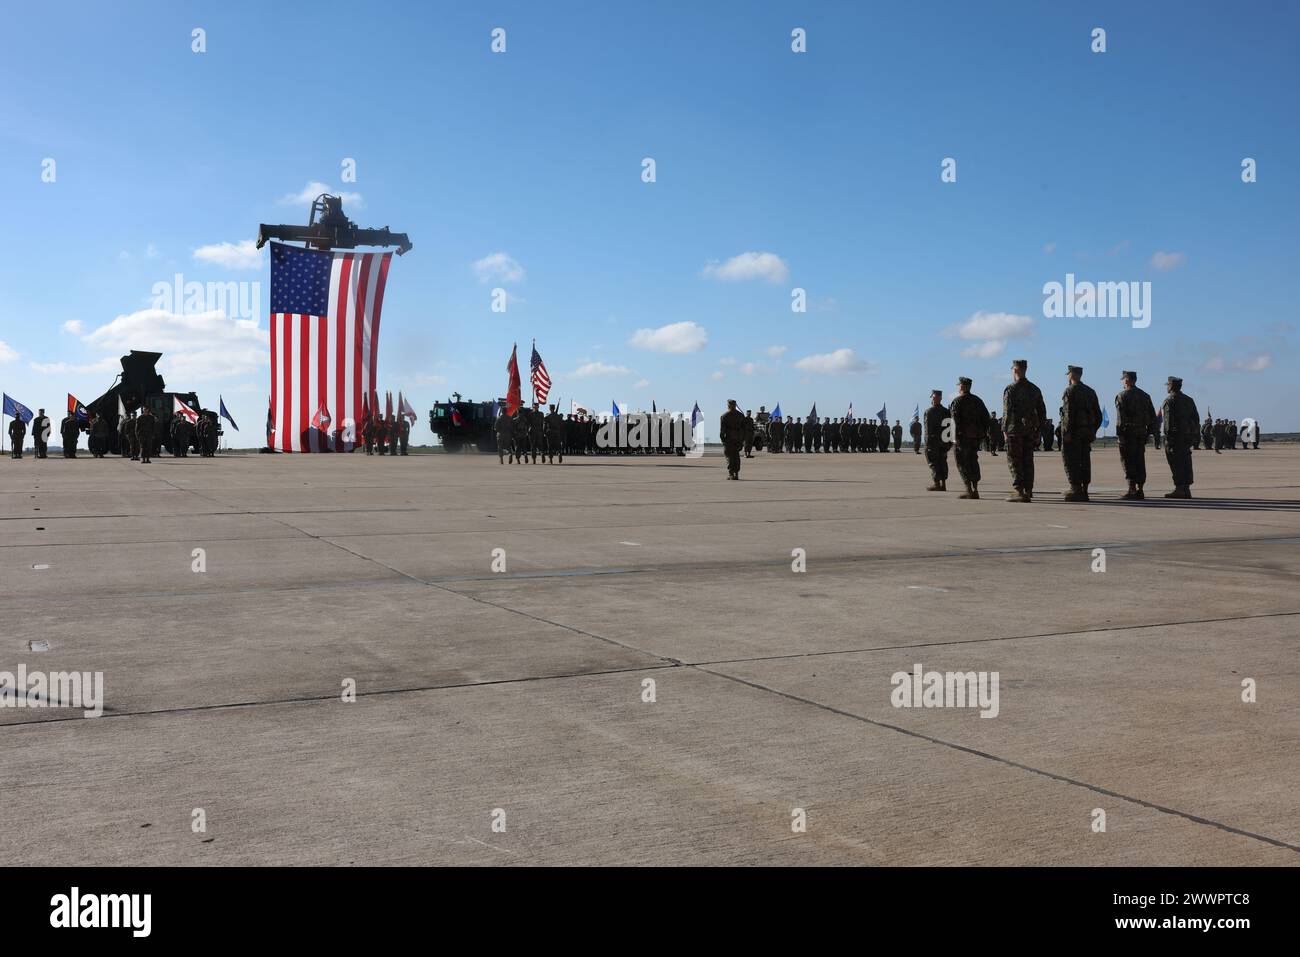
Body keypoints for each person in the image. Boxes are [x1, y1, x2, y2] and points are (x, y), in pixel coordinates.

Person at [1002, 358, 1047, 502]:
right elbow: (1042, 412)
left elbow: (1007, 411)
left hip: (1014, 430)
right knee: (1028, 460)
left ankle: (1019, 491)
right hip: (1030, 430)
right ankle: (1028, 489)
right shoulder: (1034, 389)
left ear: (1015, 370)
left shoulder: (1011, 389)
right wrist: (1039, 431)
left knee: (1014, 461)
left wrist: (1004, 429)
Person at [1059, 365, 1102, 502]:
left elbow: (1068, 414)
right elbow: (1098, 415)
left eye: (1068, 374)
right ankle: (1085, 490)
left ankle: (1075, 489)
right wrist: (1093, 430)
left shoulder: (1070, 391)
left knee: (1071, 460)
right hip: (1087, 433)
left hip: (1073, 433)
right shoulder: (1090, 392)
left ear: (1072, 374)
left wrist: (1066, 432)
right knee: (1085, 460)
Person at [1114, 370, 1156, 500]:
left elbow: (1120, 418)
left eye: (1123, 379)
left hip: (1128, 434)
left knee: (1128, 460)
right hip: (1141, 433)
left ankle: (1131, 489)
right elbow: (1152, 417)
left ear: (1127, 380)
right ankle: (1140, 489)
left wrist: (1120, 435)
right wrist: (1149, 433)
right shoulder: (1145, 396)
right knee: (1139, 460)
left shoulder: (1122, 396)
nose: (1122, 382)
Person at [949, 377, 991, 499]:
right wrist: (982, 433)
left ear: (962, 386)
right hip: (975, 437)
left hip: (962, 438)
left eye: (959, 385)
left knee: (962, 462)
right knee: (973, 460)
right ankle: (975, 489)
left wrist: (954, 437)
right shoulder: (978, 400)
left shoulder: (957, 401)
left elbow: (954, 421)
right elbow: (986, 418)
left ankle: (968, 489)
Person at [1162, 377, 1199, 498]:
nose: (1167, 387)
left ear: (1171, 386)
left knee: (1176, 463)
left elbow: (1168, 423)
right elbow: (1196, 419)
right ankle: (1186, 489)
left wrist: (1168, 438)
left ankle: (1179, 489)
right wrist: (1193, 436)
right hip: (1187, 437)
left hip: (1175, 438)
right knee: (1186, 462)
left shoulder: (1169, 401)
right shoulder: (1189, 400)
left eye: (1168, 385)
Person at [923, 390, 951, 491]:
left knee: (933, 463)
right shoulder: (946, 411)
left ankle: (937, 484)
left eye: (933, 397)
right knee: (942, 461)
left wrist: (927, 443)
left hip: (933, 442)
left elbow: (928, 429)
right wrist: (949, 442)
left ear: (933, 398)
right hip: (944, 441)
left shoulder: (929, 412)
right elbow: (950, 427)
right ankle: (943, 484)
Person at [720, 399, 747, 480]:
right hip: (738, 438)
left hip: (729, 439)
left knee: (729, 456)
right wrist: (742, 439)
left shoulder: (724, 416)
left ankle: (731, 473)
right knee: (736, 456)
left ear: (729, 405)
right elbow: (744, 429)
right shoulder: (741, 415)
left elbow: (722, 430)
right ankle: (736, 473)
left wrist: (723, 440)